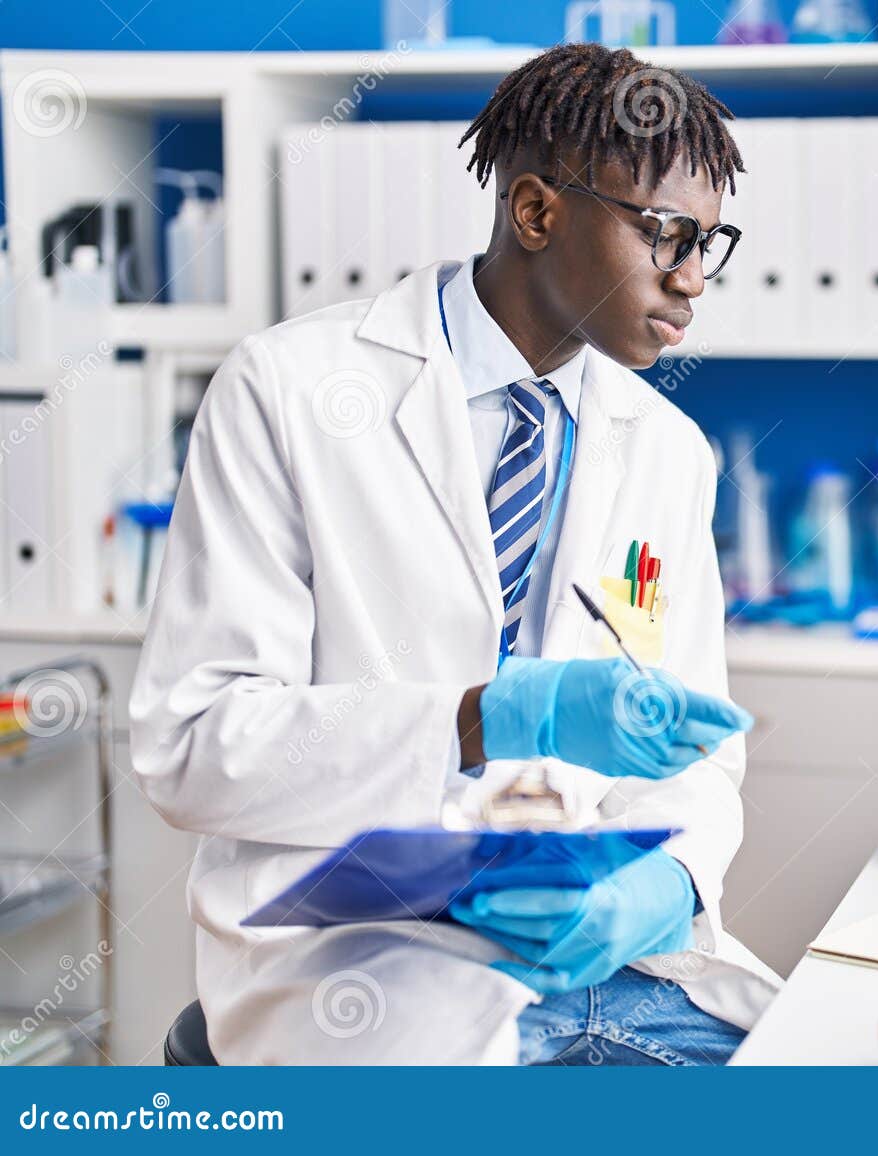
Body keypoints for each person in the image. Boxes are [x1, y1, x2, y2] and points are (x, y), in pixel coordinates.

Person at [130, 43, 780, 1065]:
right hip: (361, 963)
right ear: (536, 212)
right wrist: (483, 717)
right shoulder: (286, 391)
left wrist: (667, 884)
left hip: (598, 959)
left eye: (710, 241)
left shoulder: (667, 449)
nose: (693, 278)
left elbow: (695, 758)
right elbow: (194, 746)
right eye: (663, 235)